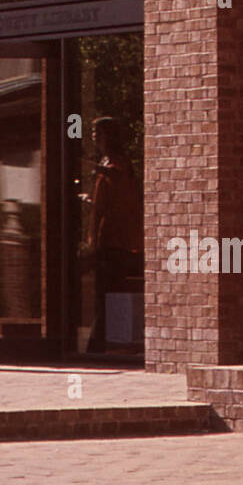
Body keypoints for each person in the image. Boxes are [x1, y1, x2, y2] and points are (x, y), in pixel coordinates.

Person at [82, 116, 142, 354]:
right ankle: (105, 342)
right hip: (107, 238)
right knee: (106, 291)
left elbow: (117, 186)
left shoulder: (116, 164)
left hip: (115, 240)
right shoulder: (109, 163)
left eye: (97, 133)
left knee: (109, 291)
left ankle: (105, 344)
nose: (94, 138)